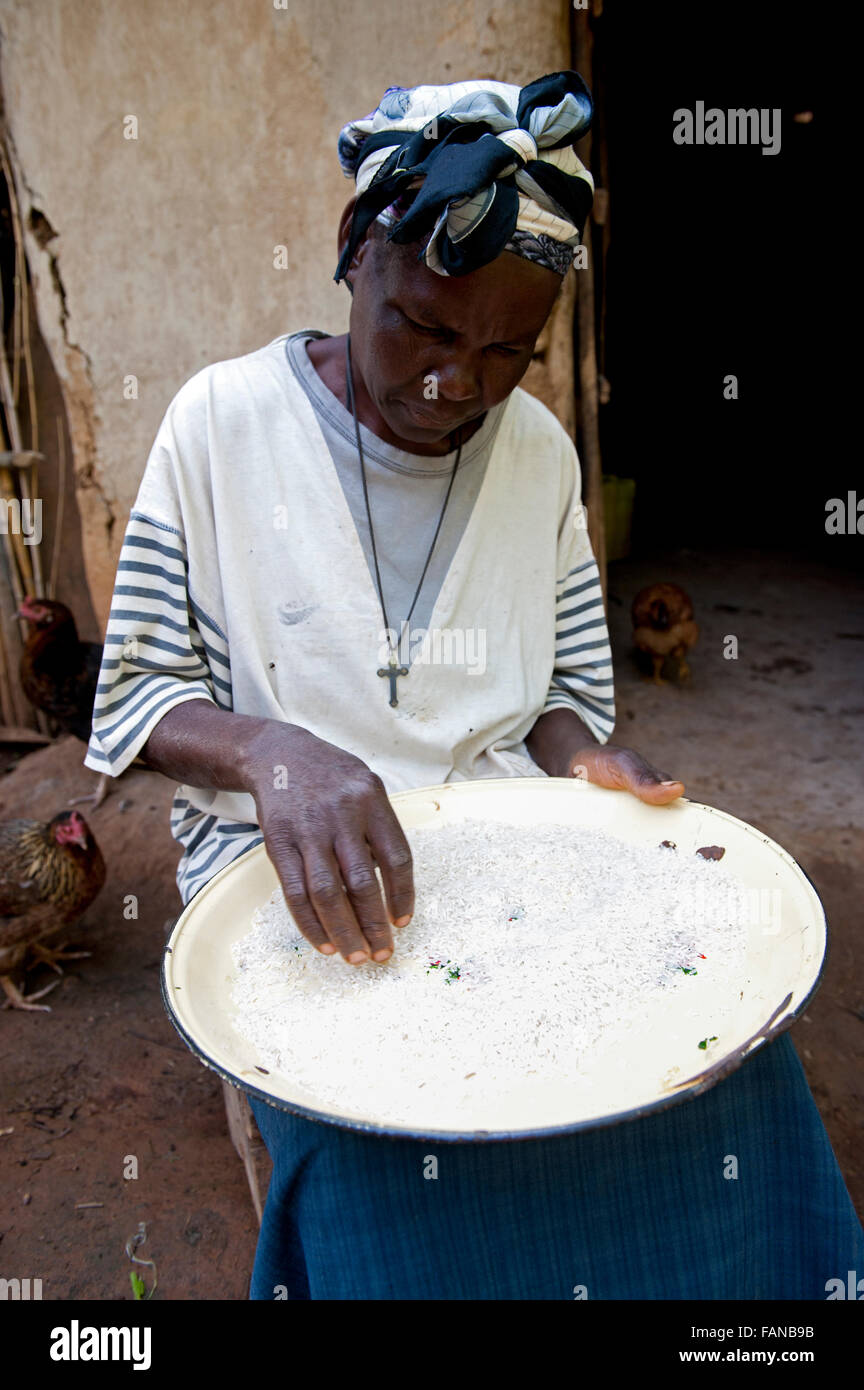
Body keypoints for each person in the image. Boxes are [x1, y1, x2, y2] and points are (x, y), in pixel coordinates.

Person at [86, 73, 864, 1299]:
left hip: (513, 866)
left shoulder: (539, 449)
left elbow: (560, 695)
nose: (464, 384)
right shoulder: (218, 429)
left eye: (511, 348)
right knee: (398, 1186)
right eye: (425, 330)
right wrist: (272, 754)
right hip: (299, 890)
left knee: (724, 1077)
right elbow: (134, 697)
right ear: (354, 260)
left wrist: (581, 762)